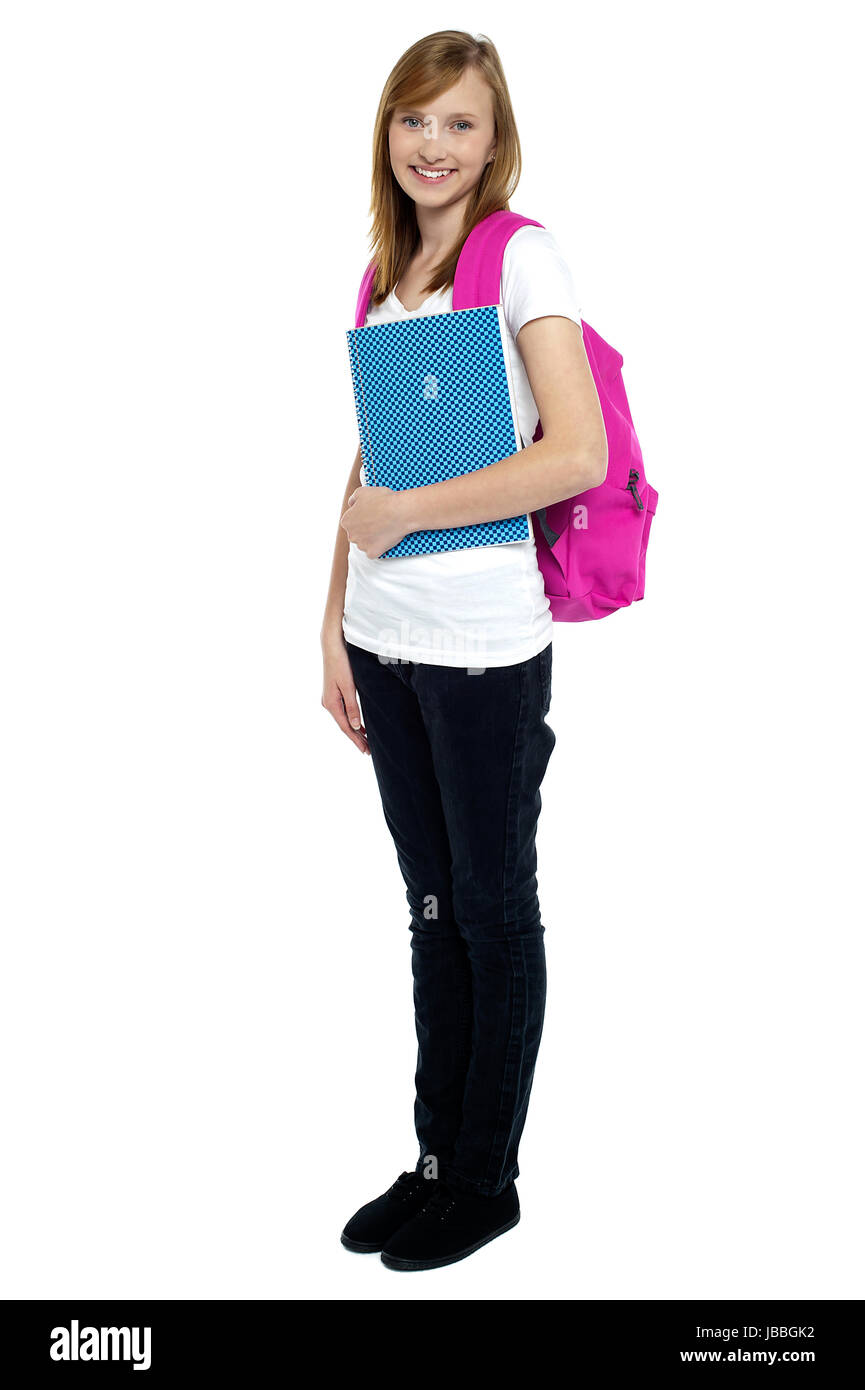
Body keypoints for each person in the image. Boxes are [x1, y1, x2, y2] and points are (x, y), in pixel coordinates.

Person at [320, 29, 607, 1272]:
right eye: (414, 121)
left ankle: (485, 1177)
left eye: (459, 125)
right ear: (389, 131)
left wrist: (401, 519)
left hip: (483, 651)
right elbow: (372, 462)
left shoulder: (518, 258)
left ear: (495, 143)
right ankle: (435, 1158)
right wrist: (330, 617)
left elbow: (577, 453)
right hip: (386, 640)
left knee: (491, 911)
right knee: (431, 912)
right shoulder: (387, 267)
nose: (433, 146)